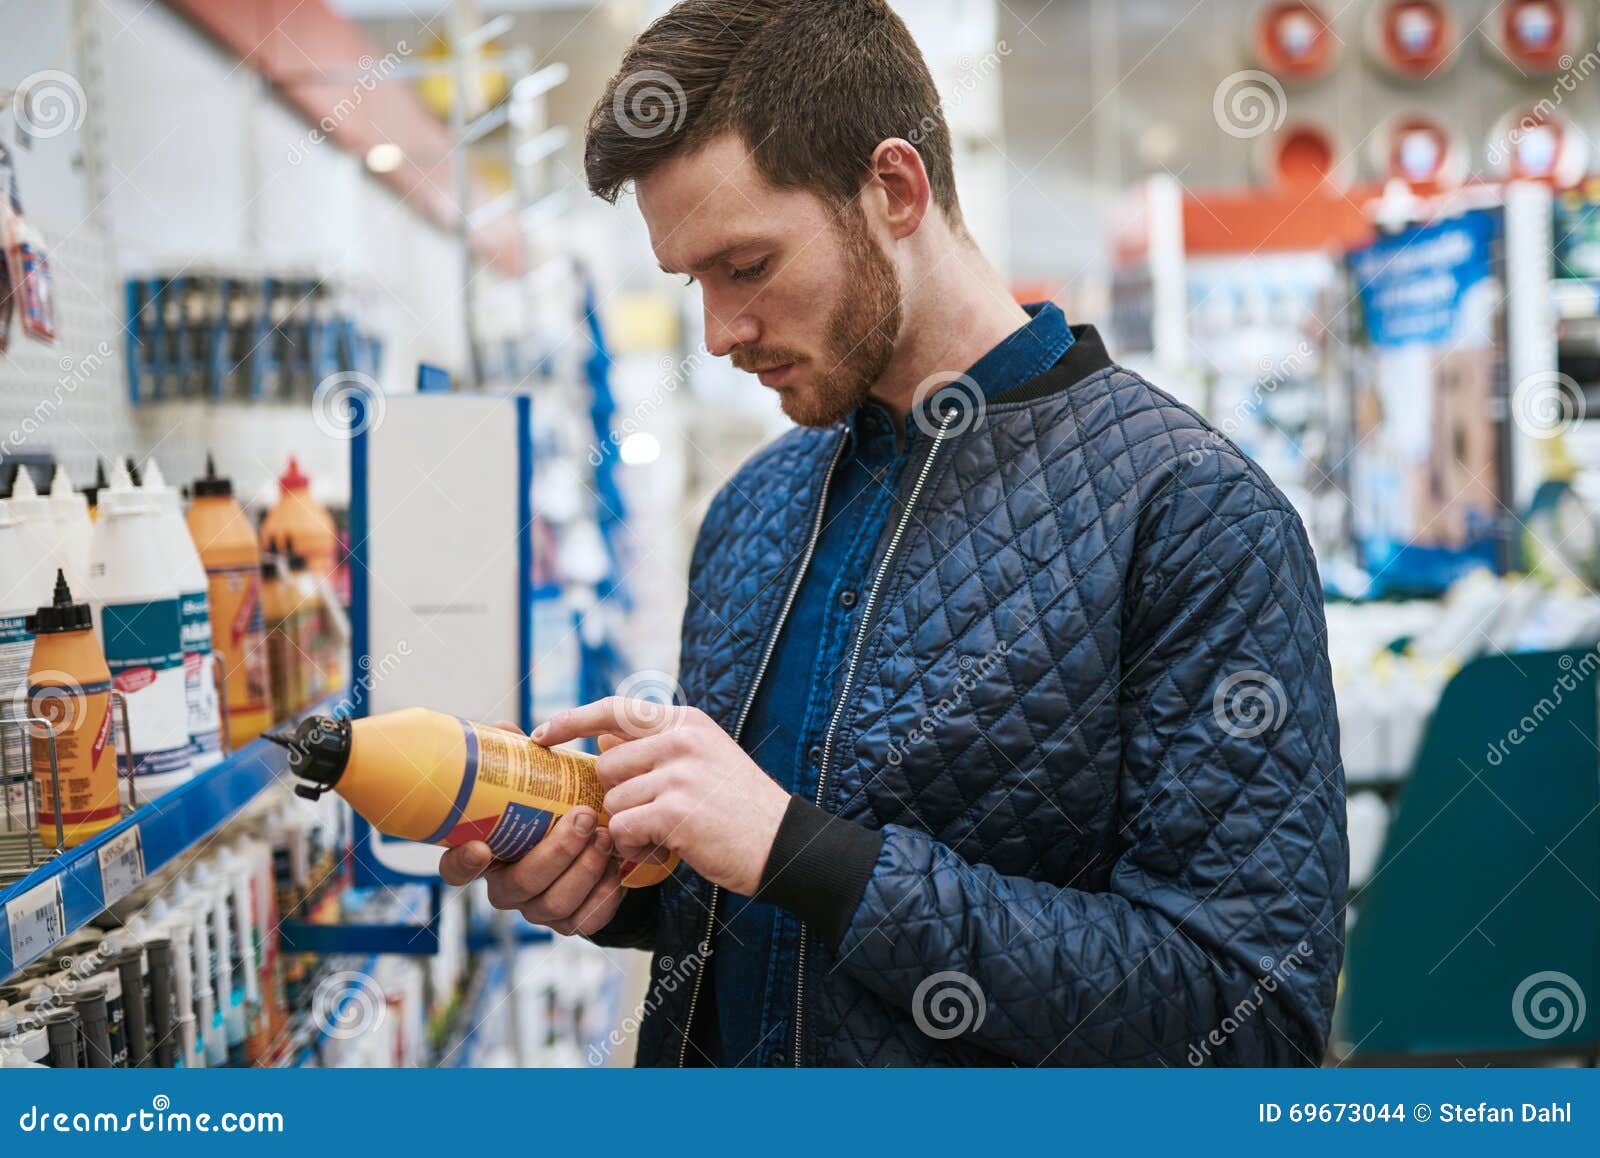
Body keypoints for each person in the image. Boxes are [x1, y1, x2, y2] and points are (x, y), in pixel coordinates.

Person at [440, 0, 1347, 1067]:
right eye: (692, 282)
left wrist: (802, 854)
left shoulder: (1189, 514)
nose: (719, 332)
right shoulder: (754, 510)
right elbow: (775, 906)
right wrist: (625, 889)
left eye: (746, 266)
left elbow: (1246, 1017)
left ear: (894, 190)